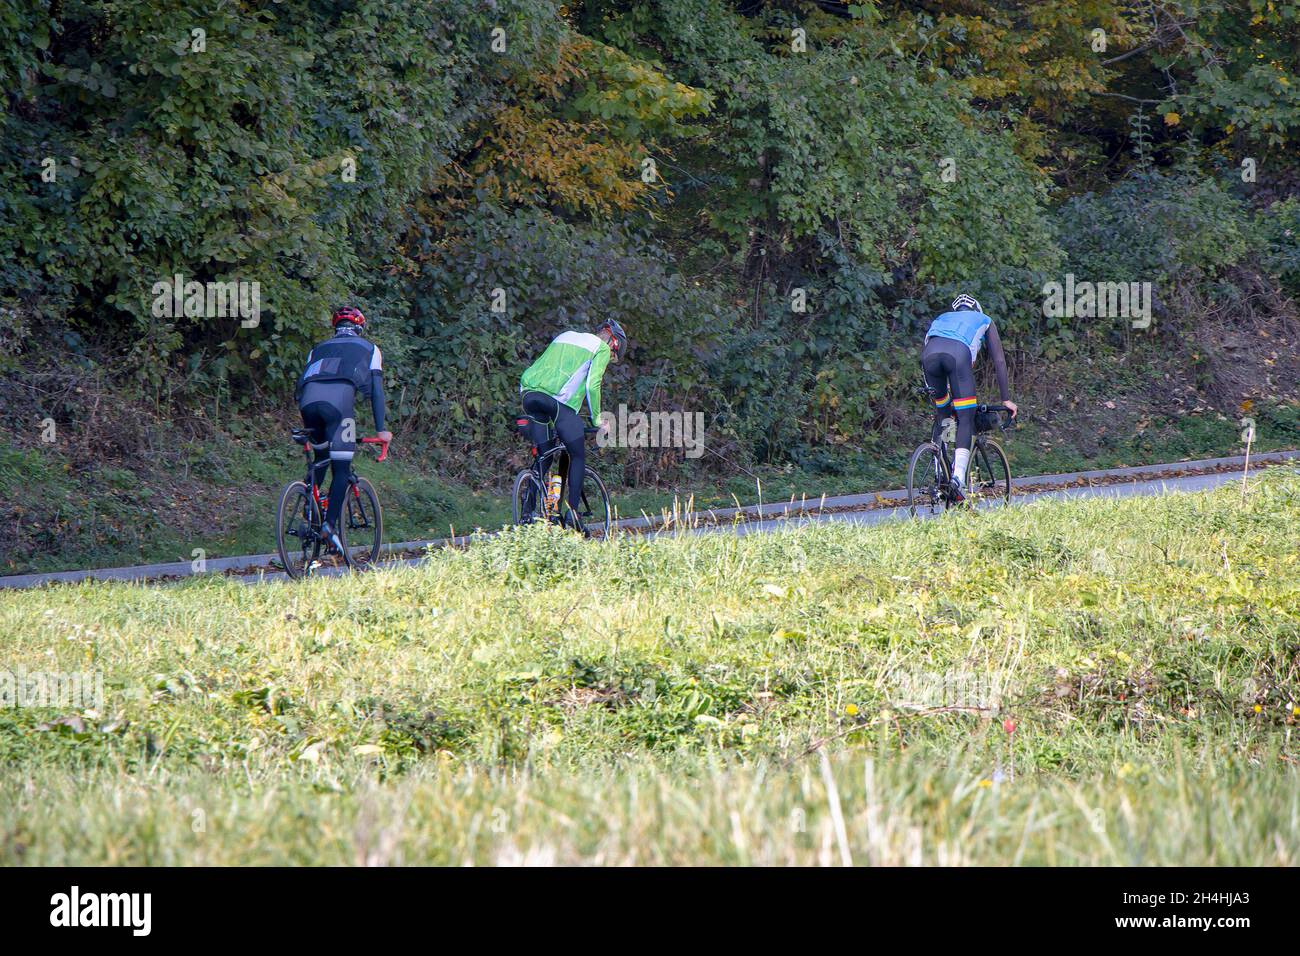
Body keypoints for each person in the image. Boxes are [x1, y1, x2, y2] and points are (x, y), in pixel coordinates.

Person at [295, 306, 392, 553]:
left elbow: (301, 385)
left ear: (335, 328)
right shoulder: (370, 349)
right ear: (359, 327)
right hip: (338, 408)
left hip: (308, 405)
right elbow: (376, 392)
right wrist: (381, 430)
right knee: (342, 468)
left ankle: (310, 509)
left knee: (321, 458)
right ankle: (329, 527)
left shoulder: (316, 349)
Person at [518, 319, 626, 532]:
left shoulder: (565, 336)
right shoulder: (601, 348)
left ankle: (527, 514)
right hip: (556, 402)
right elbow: (592, 385)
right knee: (577, 455)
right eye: (615, 354)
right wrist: (597, 420)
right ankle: (573, 514)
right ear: (613, 343)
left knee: (545, 454)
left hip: (529, 394)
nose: (611, 357)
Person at [920, 294, 1017, 501]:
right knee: (965, 417)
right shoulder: (984, 320)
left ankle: (939, 473)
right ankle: (957, 479)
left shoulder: (941, 319)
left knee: (943, 413)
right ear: (977, 310)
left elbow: (928, 348)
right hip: (957, 353)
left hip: (929, 357)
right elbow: (999, 361)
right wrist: (1006, 399)